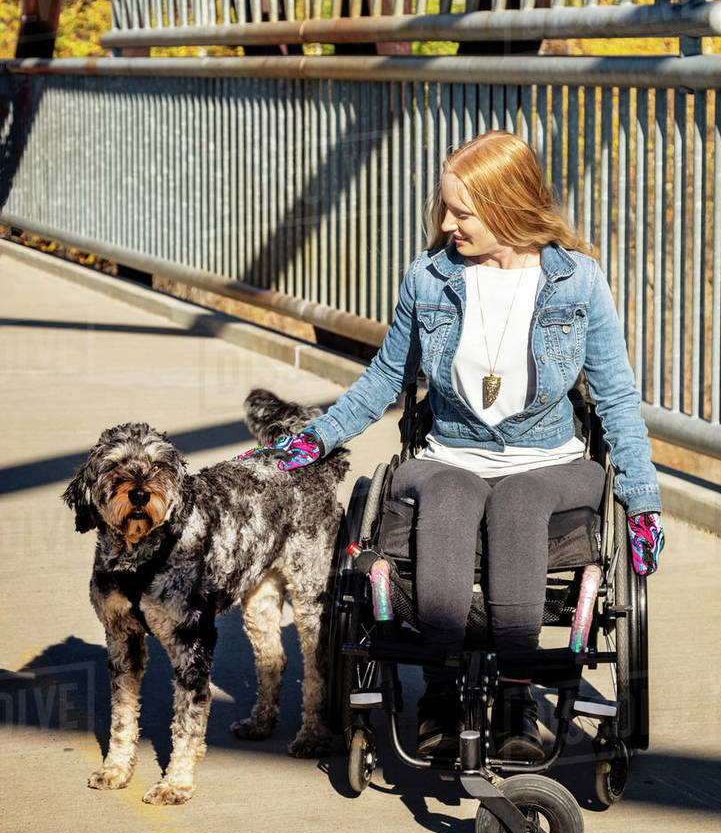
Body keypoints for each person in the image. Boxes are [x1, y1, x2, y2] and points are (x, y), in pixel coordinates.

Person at [271, 130, 664, 758]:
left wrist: (643, 502)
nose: (448, 223)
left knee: (520, 500)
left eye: (463, 211)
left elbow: (616, 396)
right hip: (447, 454)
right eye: (447, 208)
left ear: (509, 204)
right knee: (450, 495)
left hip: (552, 461)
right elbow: (382, 381)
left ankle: (516, 696)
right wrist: (313, 440)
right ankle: (440, 689)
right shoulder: (429, 279)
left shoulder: (577, 282)